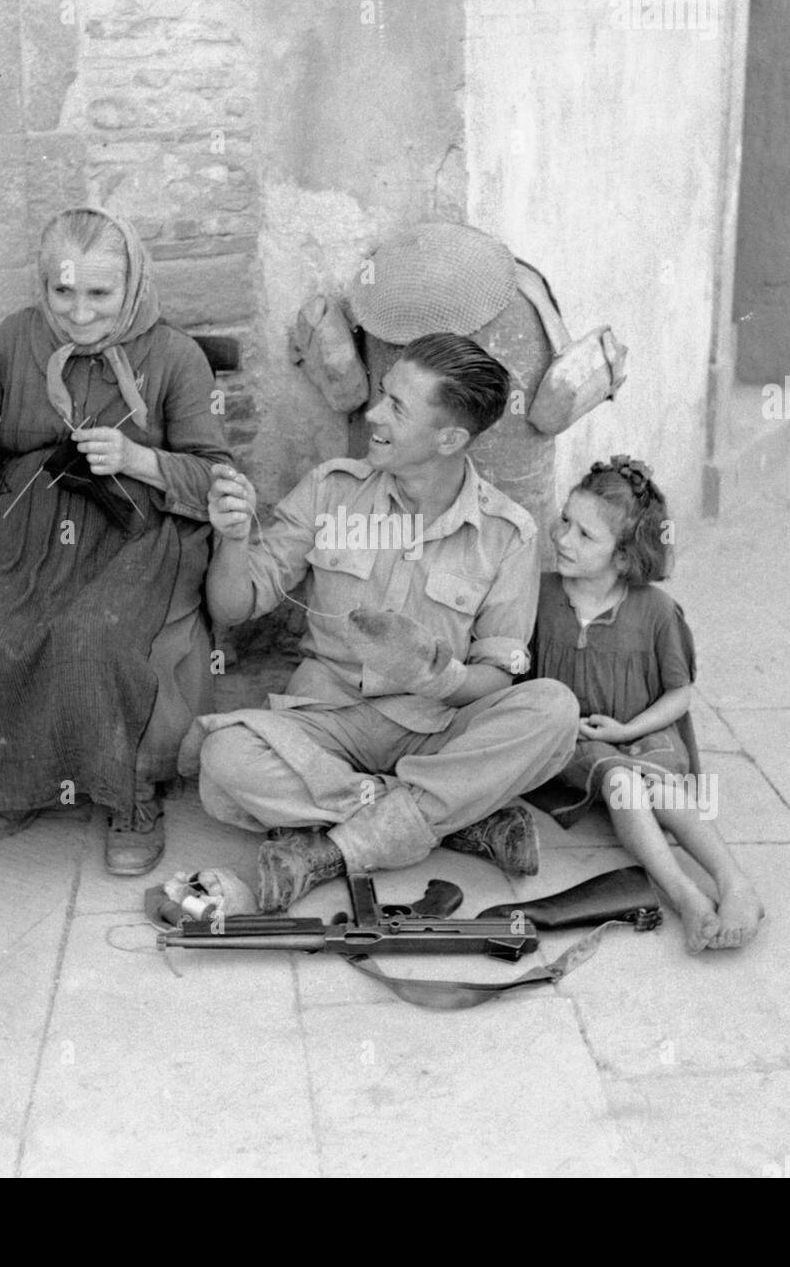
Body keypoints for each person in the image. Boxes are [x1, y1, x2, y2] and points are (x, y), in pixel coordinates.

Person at [184, 332, 581, 912]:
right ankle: (456, 819)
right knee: (224, 763)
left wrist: (434, 672)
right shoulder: (331, 491)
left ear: (450, 438)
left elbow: (499, 676)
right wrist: (234, 538)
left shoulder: (508, 535)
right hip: (328, 719)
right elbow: (232, 606)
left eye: (396, 407)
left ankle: (332, 851)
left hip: (436, 725)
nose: (372, 413)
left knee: (554, 712)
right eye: (382, 395)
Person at [0, 206, 232, 874]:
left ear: (131, 284)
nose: (79, 313)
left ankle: (132, 794)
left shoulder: (174, 356)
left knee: (96, 632)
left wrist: (134, 457)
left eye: (99, 293)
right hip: (22, 529)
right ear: (43, 284)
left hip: (135, 530)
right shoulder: (15, 339)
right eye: (64, 292)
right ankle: (14, 781)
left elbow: (216, 479)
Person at [533, 455, 765, 951]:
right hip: (577, 738)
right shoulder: (540, 597)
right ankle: (684, 896)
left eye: (585, 535)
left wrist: (627, 730)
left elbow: (680, 693)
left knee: (654, 782)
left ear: (623, 557)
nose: (563, 538)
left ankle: (733, 881)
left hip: (643, 729)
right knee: (621, 780)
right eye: (565, 521)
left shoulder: (656, 611)